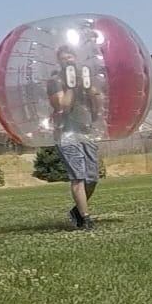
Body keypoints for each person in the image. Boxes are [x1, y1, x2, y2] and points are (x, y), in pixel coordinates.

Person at [47, 44, 104, 230]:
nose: (68, 60)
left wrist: (89, 91)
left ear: (75, 57)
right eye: (64, 58)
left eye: (70, 56)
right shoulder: (54, 81)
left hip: (85, 130)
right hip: (66, 132)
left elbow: (97, 103)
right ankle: (85, 218)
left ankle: (77, 211)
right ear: (59, 60)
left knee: (92, 178)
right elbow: (62, 106)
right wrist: (71, 86)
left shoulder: (85, 77)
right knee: (78, 177)